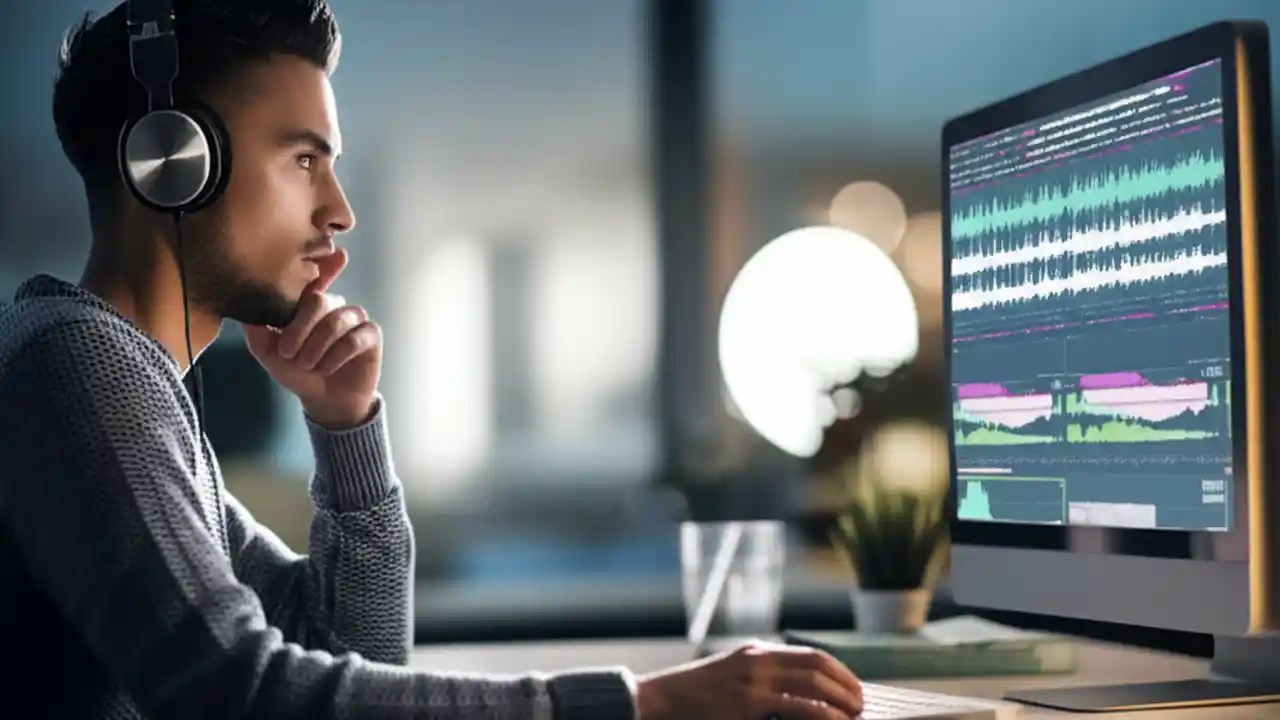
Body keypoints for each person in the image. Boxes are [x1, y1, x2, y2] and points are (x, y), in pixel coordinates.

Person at [0, 1, 864, 718]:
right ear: (171, 165)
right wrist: (641, 705)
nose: (339, 211)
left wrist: (346, 428)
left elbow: (350, 650)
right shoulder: (77, 369)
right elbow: (239, 692)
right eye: (303, 159)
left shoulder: (123, 381)